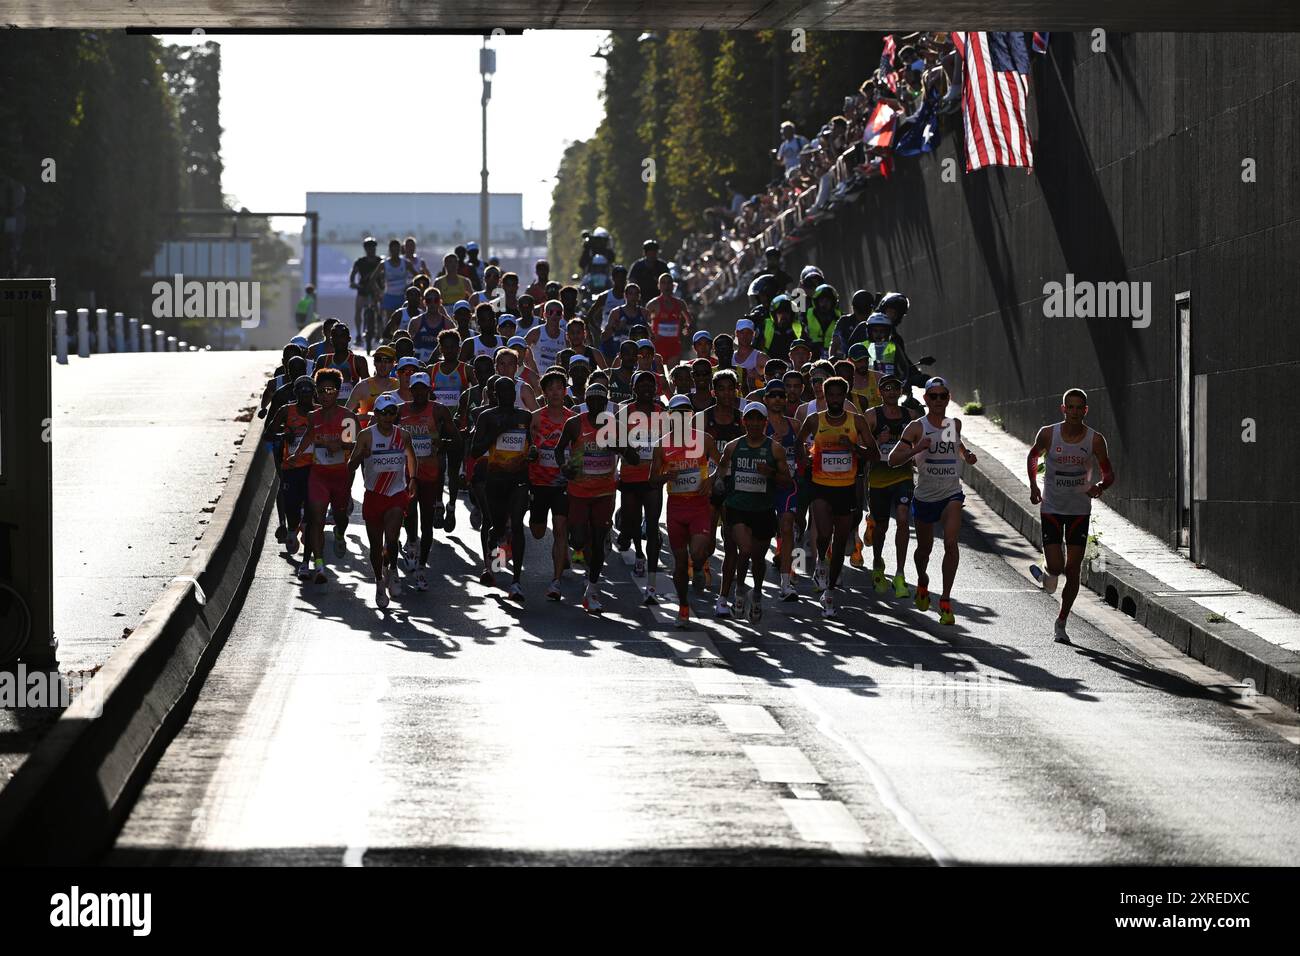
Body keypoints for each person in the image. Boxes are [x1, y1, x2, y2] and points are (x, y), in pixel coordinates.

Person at [887, 377, 978, 626]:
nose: (939, 400)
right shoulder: (917, 427)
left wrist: (965, 454)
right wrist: (917, 449)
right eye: (933, 396)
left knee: (951, 543)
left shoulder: (952, 423)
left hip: (951, 493)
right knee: (924, 550)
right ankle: (922, 580)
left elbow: (954, 444)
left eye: (943, 395)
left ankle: (946, 600)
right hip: (926, 496)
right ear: (926, 399)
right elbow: (893, 459)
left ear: (948, 398)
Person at [1027, 388, 1115, 643]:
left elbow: (1108, 472)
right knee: (1056, 568)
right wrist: (1033, 485)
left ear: (1085, 410)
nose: (1075, 412)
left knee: (1073, 569)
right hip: (1052, 507)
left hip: (1079, 510)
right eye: (1071, 407)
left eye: (1080, 408)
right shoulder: (1048, 433)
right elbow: (1033, 456)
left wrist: (1101, 486)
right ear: (1063, 409)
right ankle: (1047, 572)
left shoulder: (1095, 440)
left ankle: (1062, 621)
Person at [554, 383, 639, 612]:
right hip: (579, 490)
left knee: (599, 537)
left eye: (601, 402)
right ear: (587, 402)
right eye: (592, 401)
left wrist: (620, 446)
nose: (596, 406)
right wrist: (564, 467)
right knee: (579, 538)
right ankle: (581, 549)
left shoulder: (615, 426)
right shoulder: (574, 424)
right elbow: (558, 449)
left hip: (604, 492)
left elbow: (634, 456)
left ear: (606, 403)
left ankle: (591, 588)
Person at [797, 376, 876, 618]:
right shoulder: (814, 420)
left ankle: (829, 591)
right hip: (820, 486)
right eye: (829, 395)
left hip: (846, 487)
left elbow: (873, 453)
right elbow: (798, 442)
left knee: (841, 541)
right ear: (824, 395)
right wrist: (806, 459)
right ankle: (821, 560)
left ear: (844, 396)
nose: (833, 399)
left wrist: (853, 448)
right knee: (823, 534)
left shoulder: (857, 421)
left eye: (838, 395)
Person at [719, 400, 793, 622]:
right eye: (749, 418)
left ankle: (757, 592)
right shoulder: (732, 447)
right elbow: (721, 473)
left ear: (765, 422)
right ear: (743, 421)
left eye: (758, 419)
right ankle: (740, 590)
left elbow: (788, 482)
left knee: (758, 559)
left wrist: (770, 472)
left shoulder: (774, 448)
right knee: (746, 549)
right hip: (737, 508)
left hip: (763, 509)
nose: (753, 423)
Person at [653, 395, 721, 630]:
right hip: (676, 508)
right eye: (677, 413)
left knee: (700, 550)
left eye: (686, 413)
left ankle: (700, 563)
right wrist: (665, 477)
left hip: (699, 506)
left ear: (691, 415)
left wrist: (711, 481)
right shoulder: (662, 444)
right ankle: (683, 607)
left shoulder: (705, 440)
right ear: (670, 416)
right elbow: (652, 479)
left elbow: (723, 465)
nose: (681, 417)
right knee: (680, 564)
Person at [348, 392, 417, 609]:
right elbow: (350, 466)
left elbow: (411, 457)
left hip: (396, 493)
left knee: (392, 537)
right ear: (376, 414)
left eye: (391, 413)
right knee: (376, 546)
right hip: (374, 495)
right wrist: (362, 455)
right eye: (383, 413)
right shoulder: (366, 436)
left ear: (396, 414)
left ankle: (393, 570)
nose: (388, 417)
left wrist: (413, 479)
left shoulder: (403, 435)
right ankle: (379, 581)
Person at [469, 376, 533, 600]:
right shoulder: (487, 417)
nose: (507, 395)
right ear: (495, 394)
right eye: (502, 392)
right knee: (496, 526)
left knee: (516, 524)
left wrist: (531, 454)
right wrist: (496, 432)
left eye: (511, 391)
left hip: (519, 479)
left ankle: (516, 582)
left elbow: (532, 443)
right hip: (495, 479)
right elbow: (475, 451)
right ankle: (493, 554)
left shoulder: (525, 416)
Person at [398, 371, 459, 588]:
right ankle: (411, 544)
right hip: (407, 474)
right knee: (409, 512)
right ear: (411, 390)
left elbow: (455, 437)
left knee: (427, 521)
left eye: (424, 388)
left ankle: (422, 565)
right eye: (416, 388)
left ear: (429, 390)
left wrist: (443, 444)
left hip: (431, 474)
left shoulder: (438, 410)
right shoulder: (400, 411)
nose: (420, 392)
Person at [300, 368, 360, 584]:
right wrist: (295, 456)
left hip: (340, 476)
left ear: (337, 392)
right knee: (316, 519)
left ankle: (339, 533)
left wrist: (339, 444)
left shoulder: (348, 417)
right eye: (321, 391)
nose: (325, 395)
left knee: (340, 517)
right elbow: (308, 437)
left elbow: (354, 444)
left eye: (330, 390)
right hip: (318, 476)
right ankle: (319, 565)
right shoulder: (312, 416)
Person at [865, 371, 920, 597]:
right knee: (881, 527)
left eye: (895, 388)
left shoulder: (911, 415)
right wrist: (879, 442)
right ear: (880, 392)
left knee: (904, 519)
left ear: (900, 392)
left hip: (903, 476)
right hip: (878, 478)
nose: (891, 392)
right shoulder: (871, 416)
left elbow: (921, 443)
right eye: (886, 388)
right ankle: (878, 562)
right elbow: (861, 447)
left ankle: (900, 573)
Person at [616, 371, 667, 602]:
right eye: (642, 384)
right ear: (634, 388)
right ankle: (638, 553)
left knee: (653, 524)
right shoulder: (624, 412)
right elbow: (614, 442)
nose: (647, 387)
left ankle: (653, 584)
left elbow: (671, 442)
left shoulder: (663, 413)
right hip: (630, 476)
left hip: (653, 478)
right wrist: (626, 453)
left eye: (651, 384)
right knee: (633, 520)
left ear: (656, 388)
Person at [529, 371, 575, 601]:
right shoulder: (536, 418)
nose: (556, 392)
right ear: (544, 393)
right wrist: (532, 453)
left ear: (565, 391)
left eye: (560, 388)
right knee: (537, 532)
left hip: (562, 484)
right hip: (538, 483)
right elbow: (527, 447)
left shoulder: (572, 419)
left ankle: (555, 582)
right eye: (551, 388)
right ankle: (560, 549)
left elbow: (578, 450)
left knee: (560, 528)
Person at [268, 374, 317, 575]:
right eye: (301, 392)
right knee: (292, 509)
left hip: (314, 468)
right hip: (291, 468)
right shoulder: (285, 411)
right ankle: (291, 530)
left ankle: (307, 560)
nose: (305, 396)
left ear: (314, 393)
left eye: (308, 391)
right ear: (295, 393)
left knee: (312, 513)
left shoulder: (320, 411)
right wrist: (282, 435)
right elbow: (267, 434)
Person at [763, 379, 803, 602]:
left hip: (788, 485)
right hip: (763, 485)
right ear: (766, 399)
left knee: (788, 527)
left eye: (781, 395)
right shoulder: (757, 424)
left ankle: (787, 583)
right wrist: (767, 444)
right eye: (773, 395)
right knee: (759, 536)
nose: (778, 398)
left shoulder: (795, 425)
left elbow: (802, 454)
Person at [345, 344, 398, 428]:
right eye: (378, 360)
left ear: (393, 364)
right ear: (374, 362)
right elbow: (345, 415)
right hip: (368, 438)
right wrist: (367, 417)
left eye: (387, 361)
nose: (382, 365)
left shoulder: (399, 386)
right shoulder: (363, 386)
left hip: (393, 438)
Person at [646, 271, 690, 366]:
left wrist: (686, 328)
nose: (666, 286)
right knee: (658, 377)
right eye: (663, 282)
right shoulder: (653, 304)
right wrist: (650, 333)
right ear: (658, 286)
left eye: (669, 282)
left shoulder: (680, 303)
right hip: (657, 346)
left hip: (673, 346)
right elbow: (643, 321)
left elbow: (689, 320)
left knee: (673, 376)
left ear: (673, 285)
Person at [320, 323, 369, 405]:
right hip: (328, 410)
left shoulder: (359, 361)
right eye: (336, 336)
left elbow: (368, 390)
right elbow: (314, 387)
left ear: (349, 339)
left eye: (342, 336)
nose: (339, 340)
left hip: (350, 412)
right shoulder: (323, 360)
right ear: (331, 340)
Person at [349, 238, 384, 343]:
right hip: (363, 289)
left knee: (380, 311)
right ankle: (359, 334)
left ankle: (379, 333)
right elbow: (352, 276)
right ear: (365, 249)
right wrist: (353, 284)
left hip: (376, 290)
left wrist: (382, 287)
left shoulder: (380, 261)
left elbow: (384, 276)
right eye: (368, 248)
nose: (371, 250)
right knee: (358, 309)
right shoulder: (360, 262)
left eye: (373, 248)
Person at [378, 239, 415, 337]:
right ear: (390, 250)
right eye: (393, 249)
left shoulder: (405, 263)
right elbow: (373, 279)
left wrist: (410, 285)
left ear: (400, 249)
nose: (395, 251)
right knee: (390, 320)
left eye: (397, 249)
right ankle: (387, 339)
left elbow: (417, 276)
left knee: (403, 319)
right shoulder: (384, 264)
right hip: (389, 296)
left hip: (402, 297)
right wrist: (378, 291)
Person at [526, 299, 568, 372]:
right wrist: (532, 371)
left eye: (558, 313)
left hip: (557, 378)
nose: (554, 315)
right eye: (551, 312)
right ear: (544, 315)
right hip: (537, 377)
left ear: (562, 316)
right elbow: (521, 350)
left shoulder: (565, 336)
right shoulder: (535, 332)